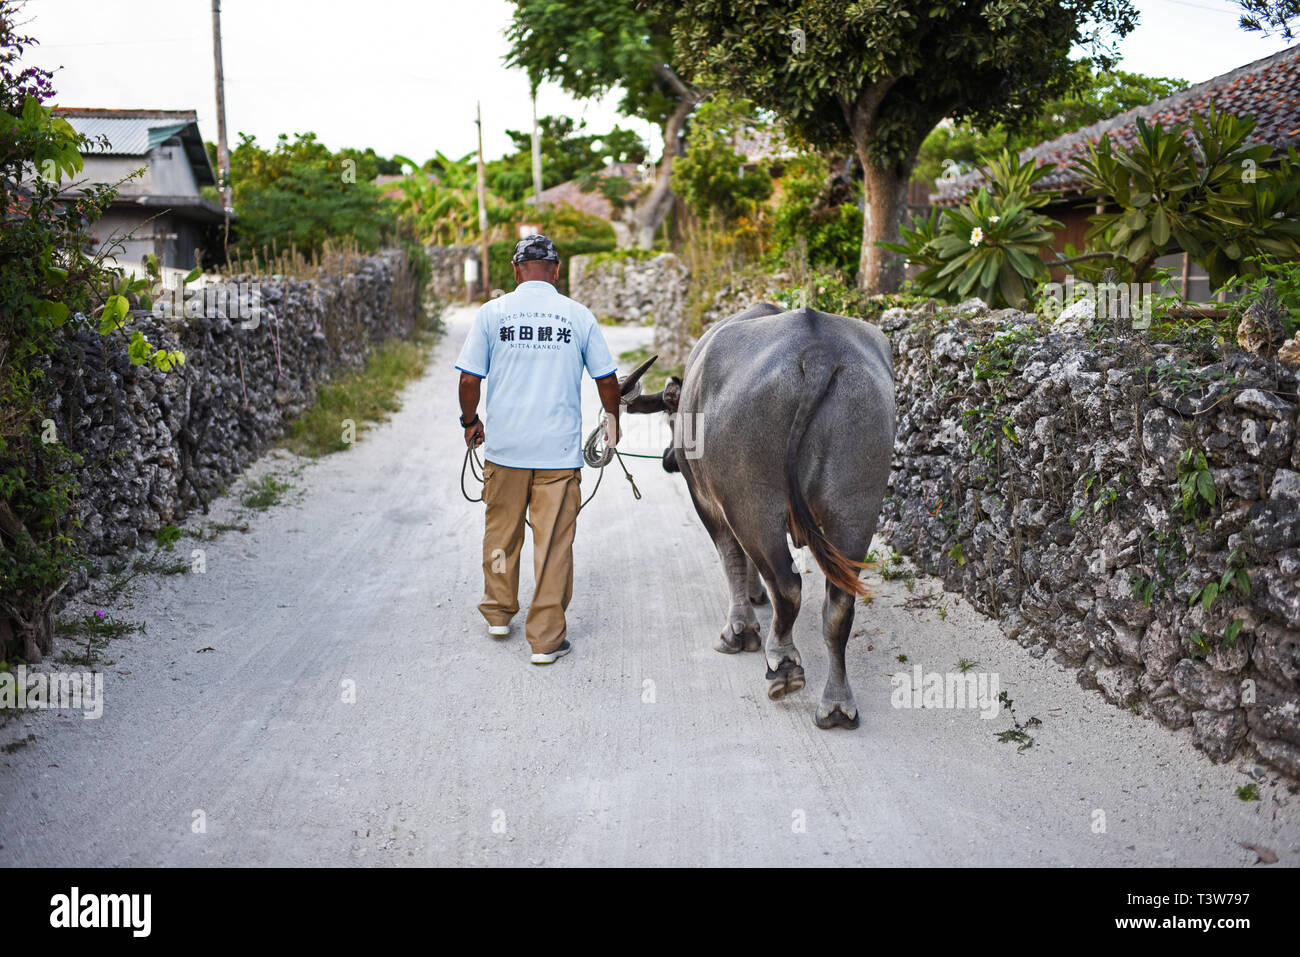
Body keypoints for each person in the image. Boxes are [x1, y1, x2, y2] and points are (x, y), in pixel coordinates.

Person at [454, 234, 622, 664]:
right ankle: (546, 640)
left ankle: (497, 611)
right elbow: (606, 379)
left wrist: (471, 423)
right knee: (553, 545)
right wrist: (612, 418)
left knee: (500, 536)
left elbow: (469, 379)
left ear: (515, 270)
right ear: (557, 270)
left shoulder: (493, 314)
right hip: (558, 456)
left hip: (505, 452)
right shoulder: (577, 316)